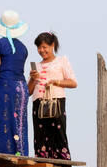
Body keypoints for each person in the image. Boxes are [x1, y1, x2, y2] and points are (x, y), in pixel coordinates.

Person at [0, 10, 30, 156]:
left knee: (2, 121)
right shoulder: (23, 48)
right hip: (21, 87)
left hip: (5, 86)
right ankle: (20, 153)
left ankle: (2, 155)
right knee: (18, 122)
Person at [28, 31, 77, 159]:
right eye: (39, 47)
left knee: (58, 133)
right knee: (40, 135)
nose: (41, 50)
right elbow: (28, 91)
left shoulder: (61, 61)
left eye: (44, 47)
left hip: (56, 102)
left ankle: (62, 163)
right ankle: (42, 163)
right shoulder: (36, 66)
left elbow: (73, 82)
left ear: (52, 45)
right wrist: (33, 79)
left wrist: (56, 82)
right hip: (38, 104)